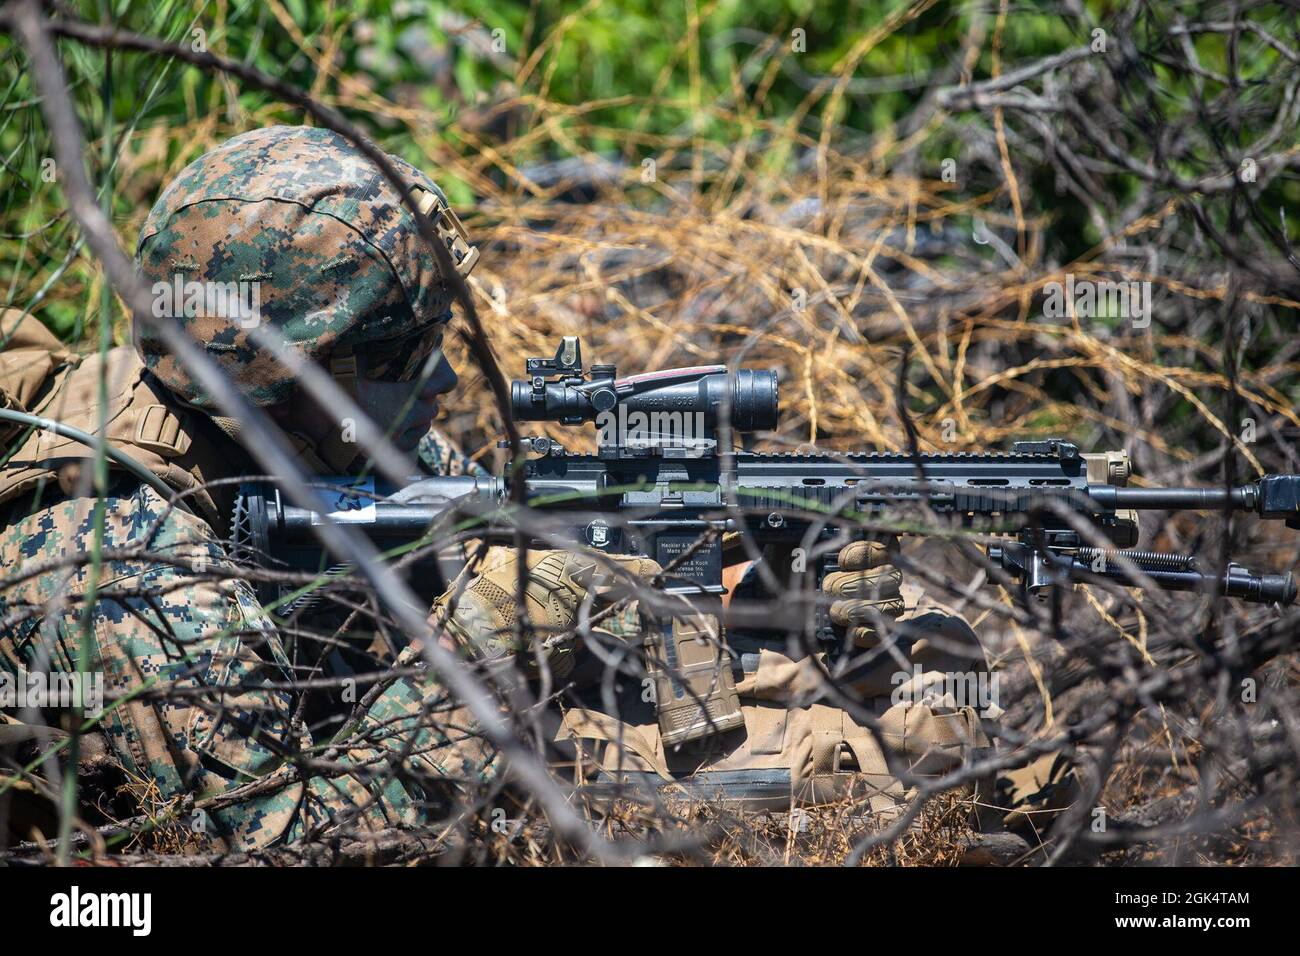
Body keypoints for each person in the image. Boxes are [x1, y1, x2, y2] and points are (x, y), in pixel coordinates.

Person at [0, 125, 1066, 854]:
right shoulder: (109, 563)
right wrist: (489, 635)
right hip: (348, 807)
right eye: (403, 351)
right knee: (820, 780)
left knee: (919, 707)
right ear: (282, 374)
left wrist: (757, 581)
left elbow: (521, 571)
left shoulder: (324, 447)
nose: (443, 382)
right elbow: (288, 841)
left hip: (420, 756)